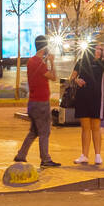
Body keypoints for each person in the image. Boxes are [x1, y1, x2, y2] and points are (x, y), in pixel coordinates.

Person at [15, 34, 60, 167]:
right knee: (45, 131)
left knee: (34, 131)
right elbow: (53, 77)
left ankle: (21, 154)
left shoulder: (31, 61)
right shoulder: (39, 63)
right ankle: (45, 159)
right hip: (41, 102)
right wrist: (52, 61)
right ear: (44, 48)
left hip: (33, 102)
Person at [71, 42, 104, 166]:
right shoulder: (81, 62)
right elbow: (71, 78)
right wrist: (76, 80)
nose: (99, 51)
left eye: (100, 49)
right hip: (83, 98)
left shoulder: (101, 64)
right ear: (90, 50)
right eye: (97, 49)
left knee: (96, 127)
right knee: (85, 128)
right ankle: (84, 155)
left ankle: (98, 155)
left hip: (97, 98)